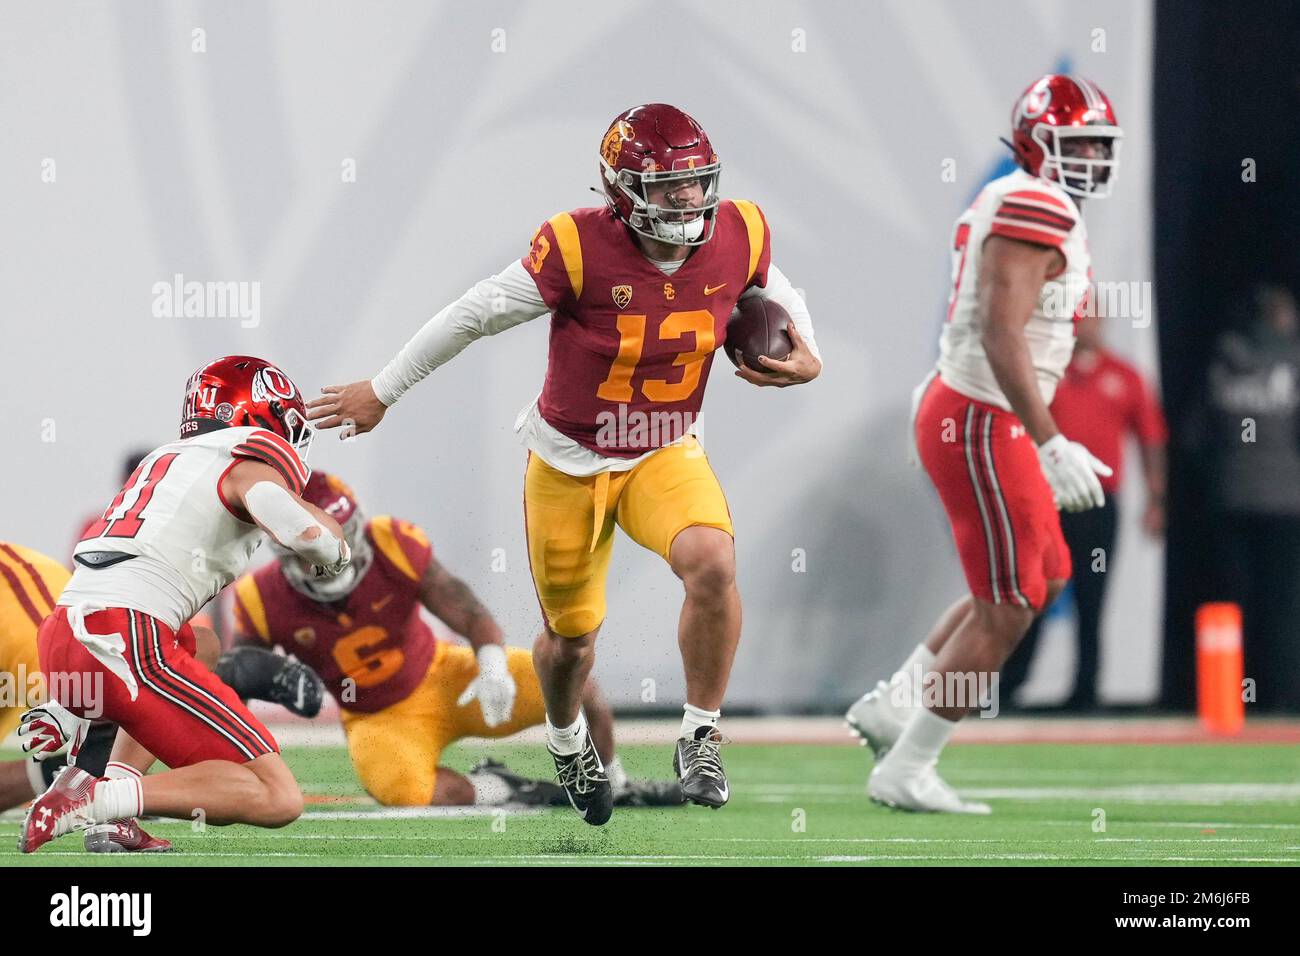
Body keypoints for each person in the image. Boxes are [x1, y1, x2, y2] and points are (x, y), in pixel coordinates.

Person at [305, 104, 821, 824]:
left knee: (712, 562)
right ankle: (565, 736)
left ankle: (700, 731)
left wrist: (809, 351)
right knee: (572, 642)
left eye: (697, 184)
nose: (689, 201)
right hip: (570, 462)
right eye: (668, 188)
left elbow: (772, 286)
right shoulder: (576, 247)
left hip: (664, 450)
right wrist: (382, 390)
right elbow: (475, 313)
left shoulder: (741, 229)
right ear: (622, 190)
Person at [845, 75, 1123, 812]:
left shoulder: (1037, 201)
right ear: (1040, 143)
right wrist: (1052, 440)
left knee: (1049, 575)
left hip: (978, 409)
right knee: (1010, 605)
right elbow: (1001, 333)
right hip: (982, 413)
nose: (1093, 155)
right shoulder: (1034, 200)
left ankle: (895, 701)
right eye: (1080, 142)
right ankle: (908, 763)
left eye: (1101, 144)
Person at [19, 355, 352, 853]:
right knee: (276, 796)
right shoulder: (249, 455)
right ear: (262, 414)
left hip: (69, 633)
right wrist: (331, 548)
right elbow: (299, 528)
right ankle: (96, 799)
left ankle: (86, 740)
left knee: (205, 645)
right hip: (126, 637)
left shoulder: (167, 459)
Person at [230, 471, 682, 808]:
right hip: (377, 717)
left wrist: (490, 662)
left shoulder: (391, 542)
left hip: (447, 676)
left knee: (579, 688)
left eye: (338, 538)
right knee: (406, 793)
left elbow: (465, 609)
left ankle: (615, 784)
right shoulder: (260, 598)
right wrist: (234, 750)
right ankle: (509, 788)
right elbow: (241, 684)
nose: (328, 556)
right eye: (310, 547)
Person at [999, 313, 1167, 709]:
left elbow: (1151, 437)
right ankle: (1011, 687)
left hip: (1098, 503)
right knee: (1035, 593)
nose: (1084, 328)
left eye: (1090, 319)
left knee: (1093, 597)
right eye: (1077, 320)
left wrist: (1156, 499)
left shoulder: (1124, 376)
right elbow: (1019, 430)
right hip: (1049, 502)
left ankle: (1085, 690)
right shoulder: (1048, 374)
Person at [1201, 284, 1300, 711]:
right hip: (1247, 500)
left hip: (1268, 500)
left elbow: (1199, 434)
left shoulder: (1238, 361)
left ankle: (1277, 696)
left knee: (1276, 606)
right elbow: (1200, 430)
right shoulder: (1229, 360)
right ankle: (1236, 697)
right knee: (1240, 605)